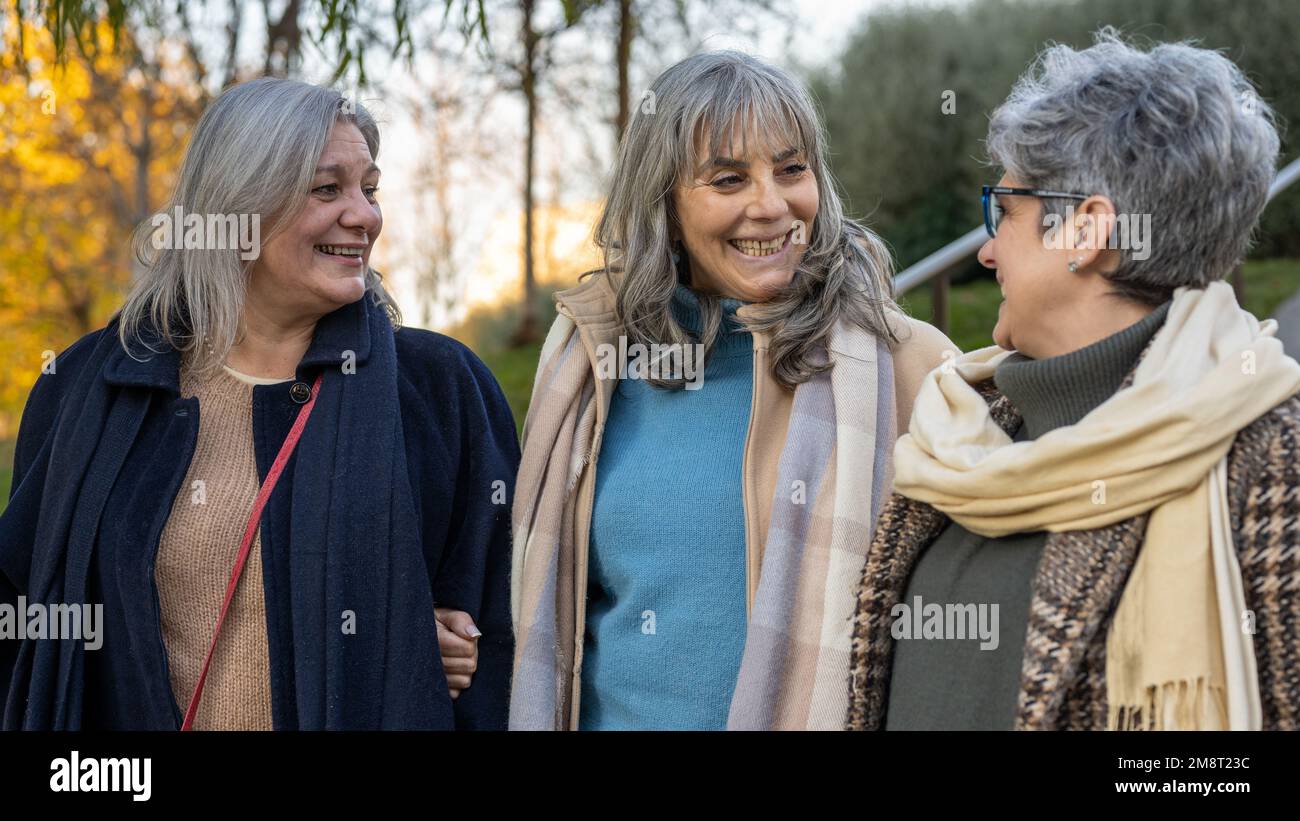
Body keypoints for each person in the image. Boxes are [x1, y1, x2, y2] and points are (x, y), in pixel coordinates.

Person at [0, 78, 518, 730]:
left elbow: (502, 630)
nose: (364, 215)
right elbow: (22, 606)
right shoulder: (92, 388)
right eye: (327, 189)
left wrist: (405, 647)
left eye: (370, 188)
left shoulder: (439, 389)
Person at [847, 30, 1300, 730]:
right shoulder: (960, 426)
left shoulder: (1271, 458)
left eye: (1006, 212)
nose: (989, 249)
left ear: (1085, 232)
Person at [510, 50, 958, 730]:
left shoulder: (906, 362)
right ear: (663, 200)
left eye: (790, 169)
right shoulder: (590, 365)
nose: (771, 206)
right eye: (728, 179)